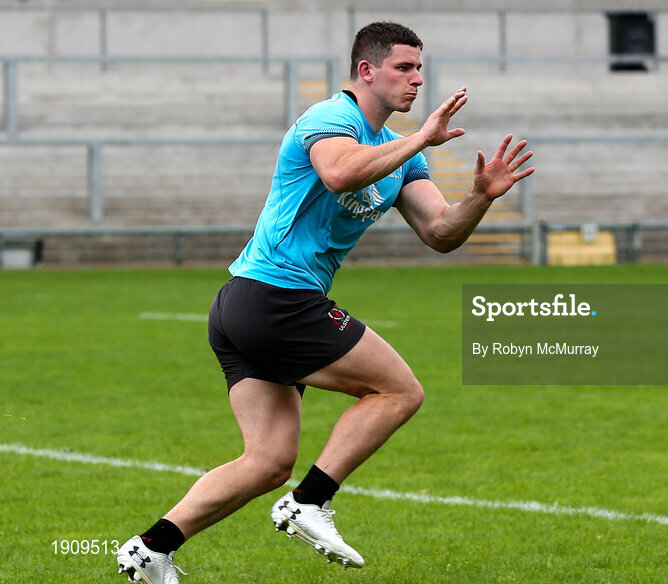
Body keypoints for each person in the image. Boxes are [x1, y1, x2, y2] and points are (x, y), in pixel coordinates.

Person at [116, 21, 533, 583]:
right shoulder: (331, 118)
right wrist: (422, 138)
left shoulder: (403, 156)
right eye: (403, 68)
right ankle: (309, 502)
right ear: (367, 70)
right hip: (273, 297)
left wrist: (479, 197)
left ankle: (150, 550)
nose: (416, 80)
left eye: (419, 69)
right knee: (399, 390)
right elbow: (339, 173)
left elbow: (440, 232)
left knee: (266, 462)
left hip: (250, 305)